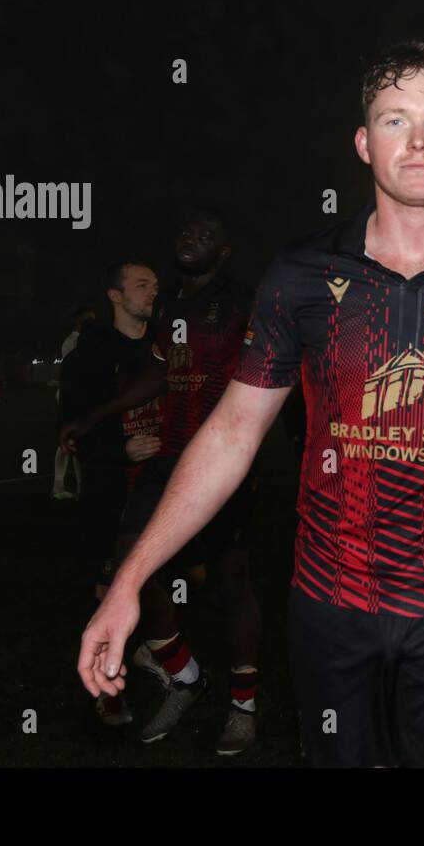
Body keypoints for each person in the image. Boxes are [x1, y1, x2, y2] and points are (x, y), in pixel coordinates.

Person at [76, 38, 424, 767]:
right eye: (396, 120)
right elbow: (233, 432)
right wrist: (132, 580)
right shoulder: (301, 276)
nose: (419, 141)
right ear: (365, 143)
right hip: (333, 610)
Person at [64, 208, 263, 756]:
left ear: (224, 253)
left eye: (206, 234)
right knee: (130, 565)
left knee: (230, 584)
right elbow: (160, 373)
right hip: (167, 462)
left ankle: (244, 705)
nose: (190, 237)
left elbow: (266, 384)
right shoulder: (169, 305)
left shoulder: (244, 304)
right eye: (184, 230)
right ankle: (186, 675)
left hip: (222, 463)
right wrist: (99, 415)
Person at [58, 263, 161, 726]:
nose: (151, 293)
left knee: (187, 579)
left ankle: (159, 649)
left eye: (155, 286)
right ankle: (110, 693)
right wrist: (120, 449)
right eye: (142, 286)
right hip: (111, 489)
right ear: (115, 296)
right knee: (108, 589)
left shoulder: (164, 346)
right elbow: (73, 431)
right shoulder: (90, 354)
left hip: (166, 485)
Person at [53, 307, 96, 499]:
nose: (92, 323)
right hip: (72, 396)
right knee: (69, 441)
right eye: (88, 320)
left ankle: (80, 486)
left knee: (79, 442)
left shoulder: (82, 341)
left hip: (77, 395)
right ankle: (58, 487)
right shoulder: (73, 342)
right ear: (79, 321)